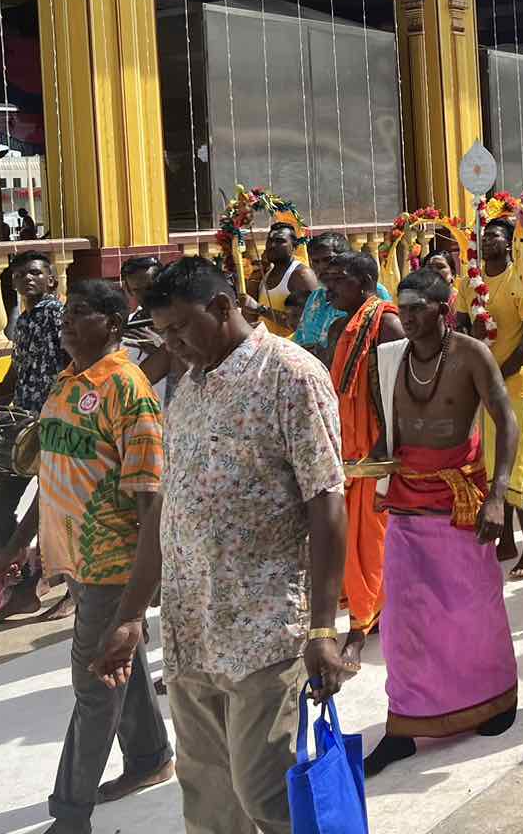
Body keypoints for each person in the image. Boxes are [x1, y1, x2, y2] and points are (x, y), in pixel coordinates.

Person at [92, 256, 348, 834]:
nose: (172, 345)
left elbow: (327, 501)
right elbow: (166, 509)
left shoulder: (290, 376)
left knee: (267, 793)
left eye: (181, 328)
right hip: (191, 632)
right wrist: (131, 616)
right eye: (163, 333)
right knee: (210, 803)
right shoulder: (187, 389)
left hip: (262, 628)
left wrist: (323, 629)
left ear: (222, 306)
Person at [0, 280, 173, 832]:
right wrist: (20, 541)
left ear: (113, 324)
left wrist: (140, 597)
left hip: (112, 565)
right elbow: (54, 469)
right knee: (120, 670)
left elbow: (151, 502)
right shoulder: (66, 382)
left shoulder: (128, 391)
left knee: (94, 686)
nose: (67, 322)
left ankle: (70, 816)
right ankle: (150, 757)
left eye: (80, 313)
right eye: (67, 313)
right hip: (72, 558)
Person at [363, 268, 521, 777]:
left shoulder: (471, 354)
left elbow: (506, 419)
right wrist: (371, 465)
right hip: (407, 502)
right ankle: (404, 726)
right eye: (403, 308)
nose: (407, 317)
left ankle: (495, 699)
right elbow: (390, 431)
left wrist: (498, 495)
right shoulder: (391, 359)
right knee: (402, 620)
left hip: (461, 500)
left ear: (443, 309)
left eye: (417, 308)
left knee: (472, 611)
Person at [0, 247, 70, 620]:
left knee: (54, 507)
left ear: (51, 280)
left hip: (57, 424)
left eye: (36, 272)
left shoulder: (61, 317)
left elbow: (75, 363)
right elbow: (18, 372)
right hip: (21, 426)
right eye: (21, 274)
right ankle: (17, 577)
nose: (28, 278)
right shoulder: (23, 321)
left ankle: (49, 585)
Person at [320, 252, 404, 659]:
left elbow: (398, 391)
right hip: (346, 450)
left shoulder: (387, 324)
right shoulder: (342, 326)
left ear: (366, 282)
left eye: (339, 279)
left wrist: (383, 449)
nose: (329, 288)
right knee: (347, 542)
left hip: (376, 452)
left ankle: (359, 627)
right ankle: (369, 614)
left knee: (369, 543)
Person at [457, 218, 523, 577]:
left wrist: (498, 374)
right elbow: (461, 328)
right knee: (493, 464)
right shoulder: (469, 281)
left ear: (509, 243)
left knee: (519, 465)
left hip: (517, 385)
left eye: (495, 235)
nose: (488, 239)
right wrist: (472, 336)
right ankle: (505, 540)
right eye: (485, 235)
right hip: (483, 387)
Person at [243, 222, 317, 337]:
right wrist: (257, 273)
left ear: (294, 247)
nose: (272, 245)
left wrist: (260, 309)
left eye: (280, 241)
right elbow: (249, 317)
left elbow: (307, 322)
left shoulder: (301, 275)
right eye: (270, 240)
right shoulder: (264, 274)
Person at [293, 232, 350, 361]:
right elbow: (300, 340)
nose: (322, 267)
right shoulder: (315, 297)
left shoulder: (366, 291)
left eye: (328, 259)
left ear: (345, 259)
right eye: (316, 261)